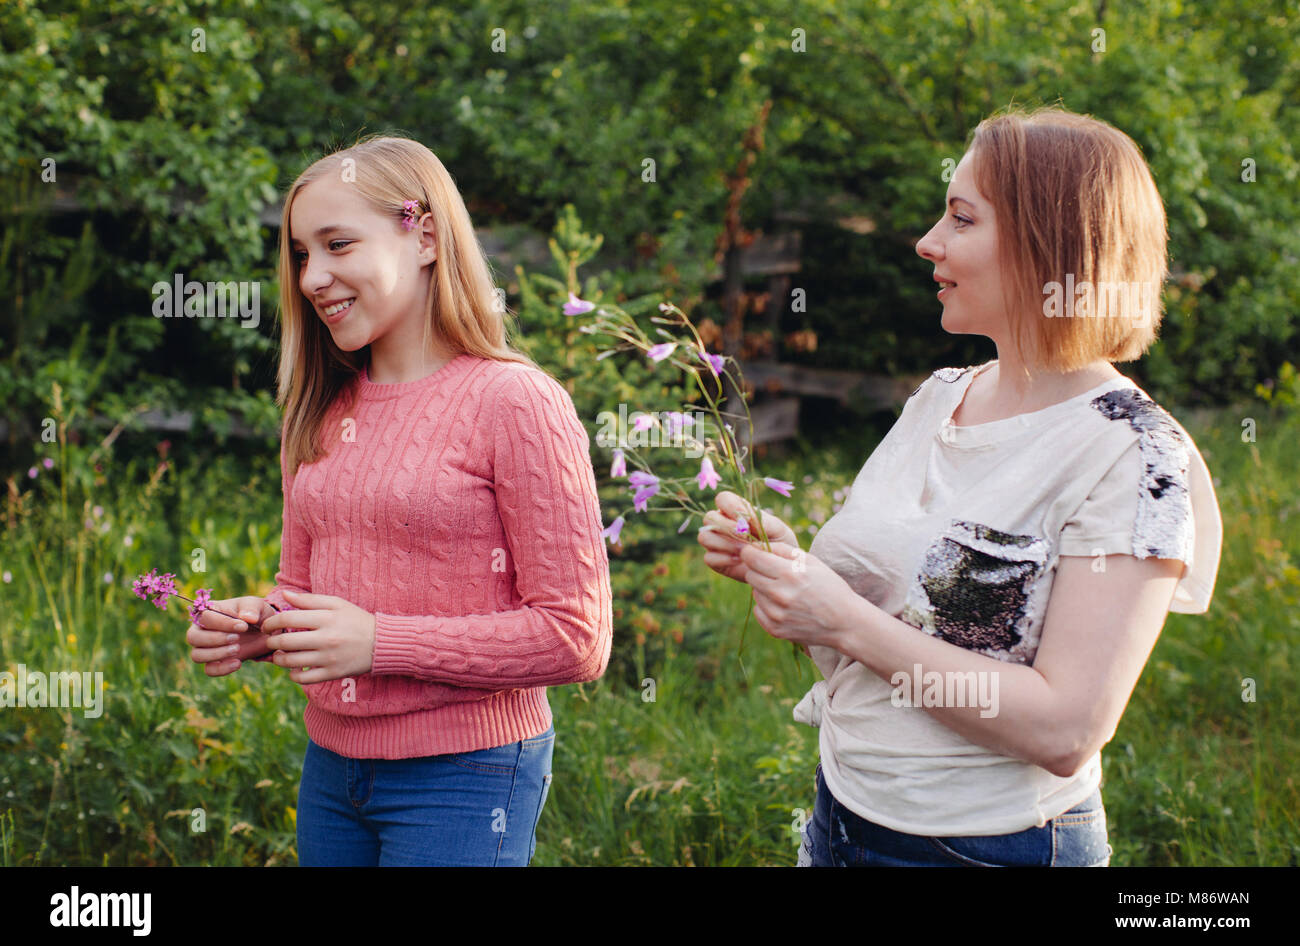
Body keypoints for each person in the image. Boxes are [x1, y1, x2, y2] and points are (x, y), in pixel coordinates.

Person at [698, 107, 1222, 867]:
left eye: (961, 218)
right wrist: (784, 564)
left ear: (1051, 247)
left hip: (988, 845)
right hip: (842, 815)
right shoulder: (940, 396)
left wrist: (839, 616)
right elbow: (888, 610)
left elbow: (1065, 730)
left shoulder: (1135, 454)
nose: (927, 242)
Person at [183, 134, 612, 866]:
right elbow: (305, 590)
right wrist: (264, 624)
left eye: (338, 244)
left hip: (466, 776)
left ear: (426, 237)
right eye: (299, 255)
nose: (313, 277)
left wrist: (380, 643)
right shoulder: (316, 406)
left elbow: (577, 635)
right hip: (332, 772)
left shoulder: (515, 402)